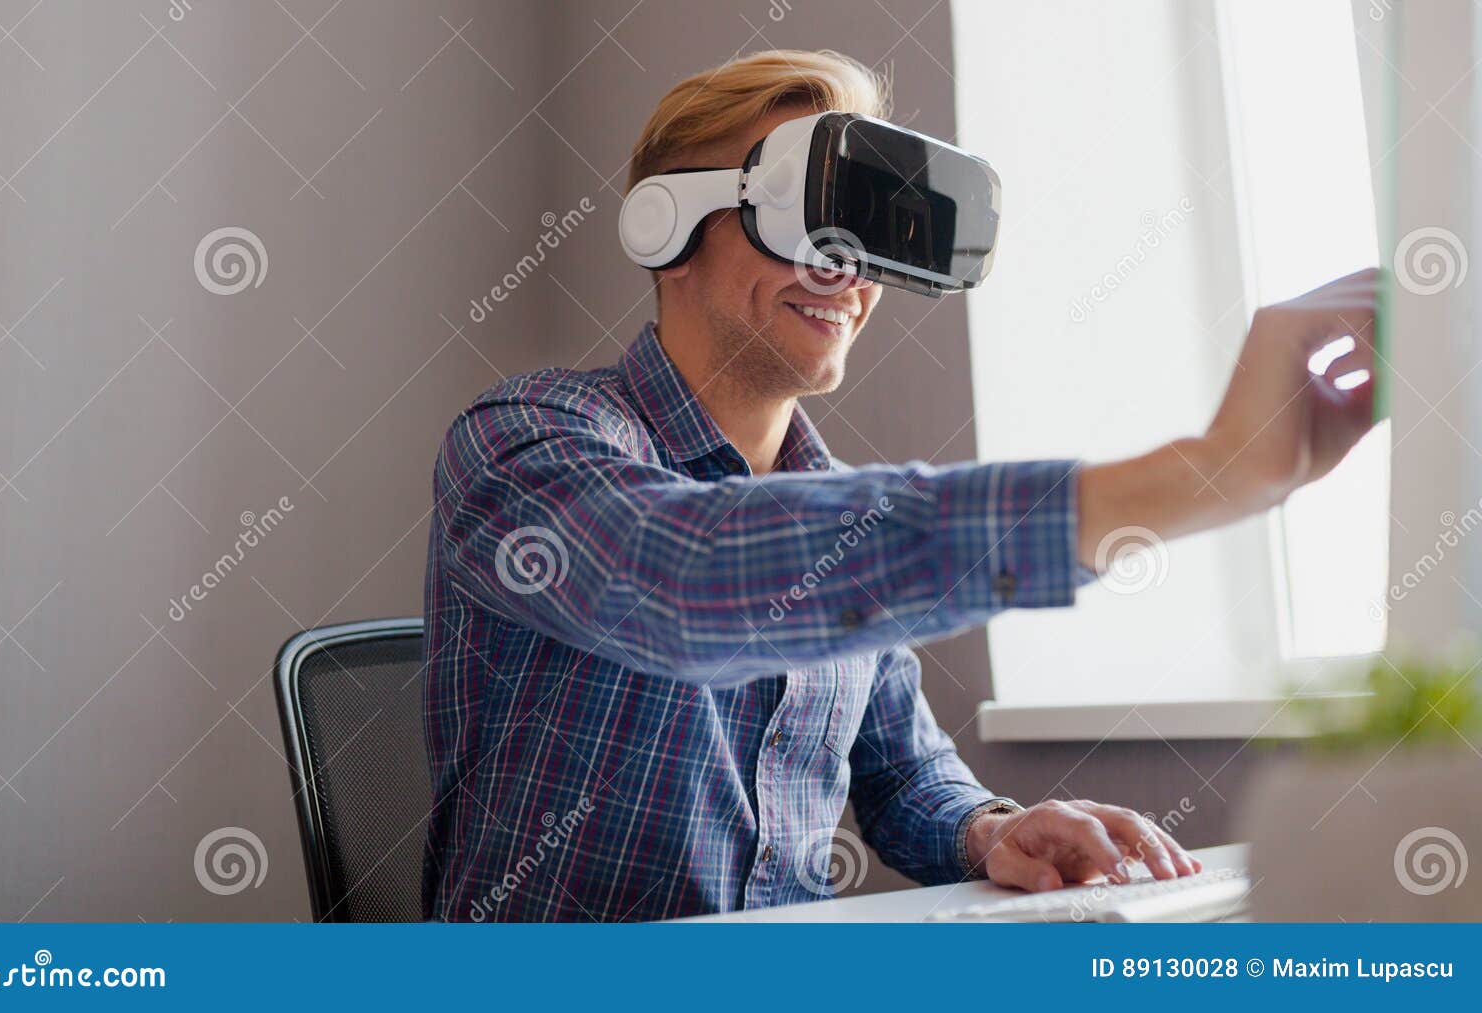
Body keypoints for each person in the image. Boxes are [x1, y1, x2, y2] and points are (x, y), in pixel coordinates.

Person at [421, 49, 1380, 921]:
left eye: (872, 232)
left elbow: (903, 772)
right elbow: (687, 584)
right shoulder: (520, 445)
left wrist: (993, 828)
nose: (843, 269)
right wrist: (1196, 478)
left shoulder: (831, 503)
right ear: (663, 223)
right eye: (801, 212)